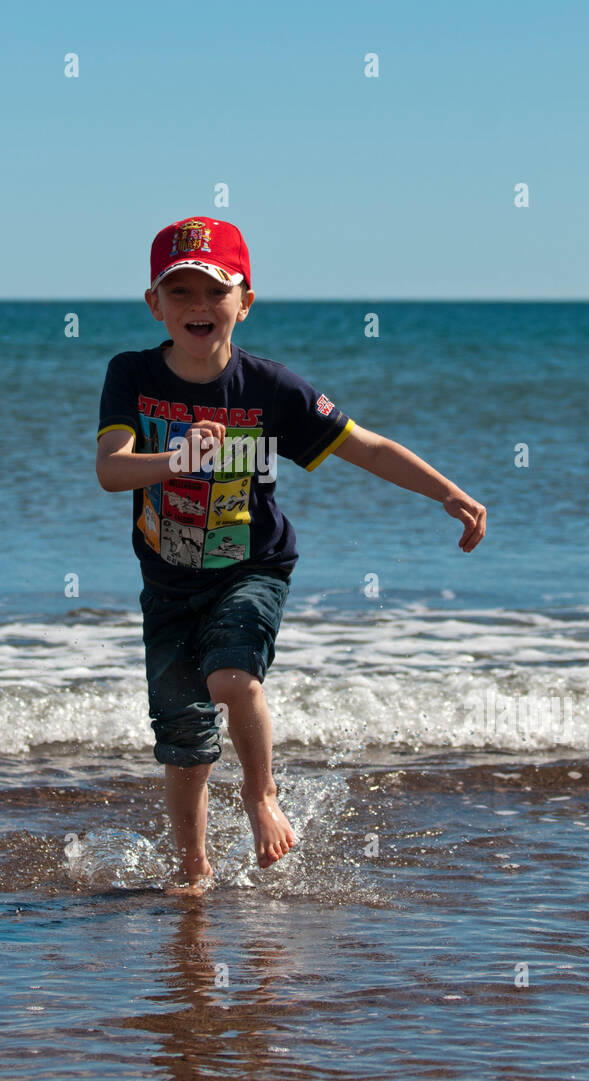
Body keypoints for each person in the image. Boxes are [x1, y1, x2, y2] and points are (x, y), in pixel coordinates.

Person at [96, 215, 486, 894]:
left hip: (252, 568)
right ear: (153, 303)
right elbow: (111, 469)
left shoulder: (269, 388)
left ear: (243, 302)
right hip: (166, 581)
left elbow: (362, 445)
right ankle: (192, 870)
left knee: (231, 678)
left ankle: (259, 795)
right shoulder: (130, 374)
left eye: (214, 291)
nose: (197, 306)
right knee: (183, 740)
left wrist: (444, 492)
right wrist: (175, 458)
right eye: (179, 291)